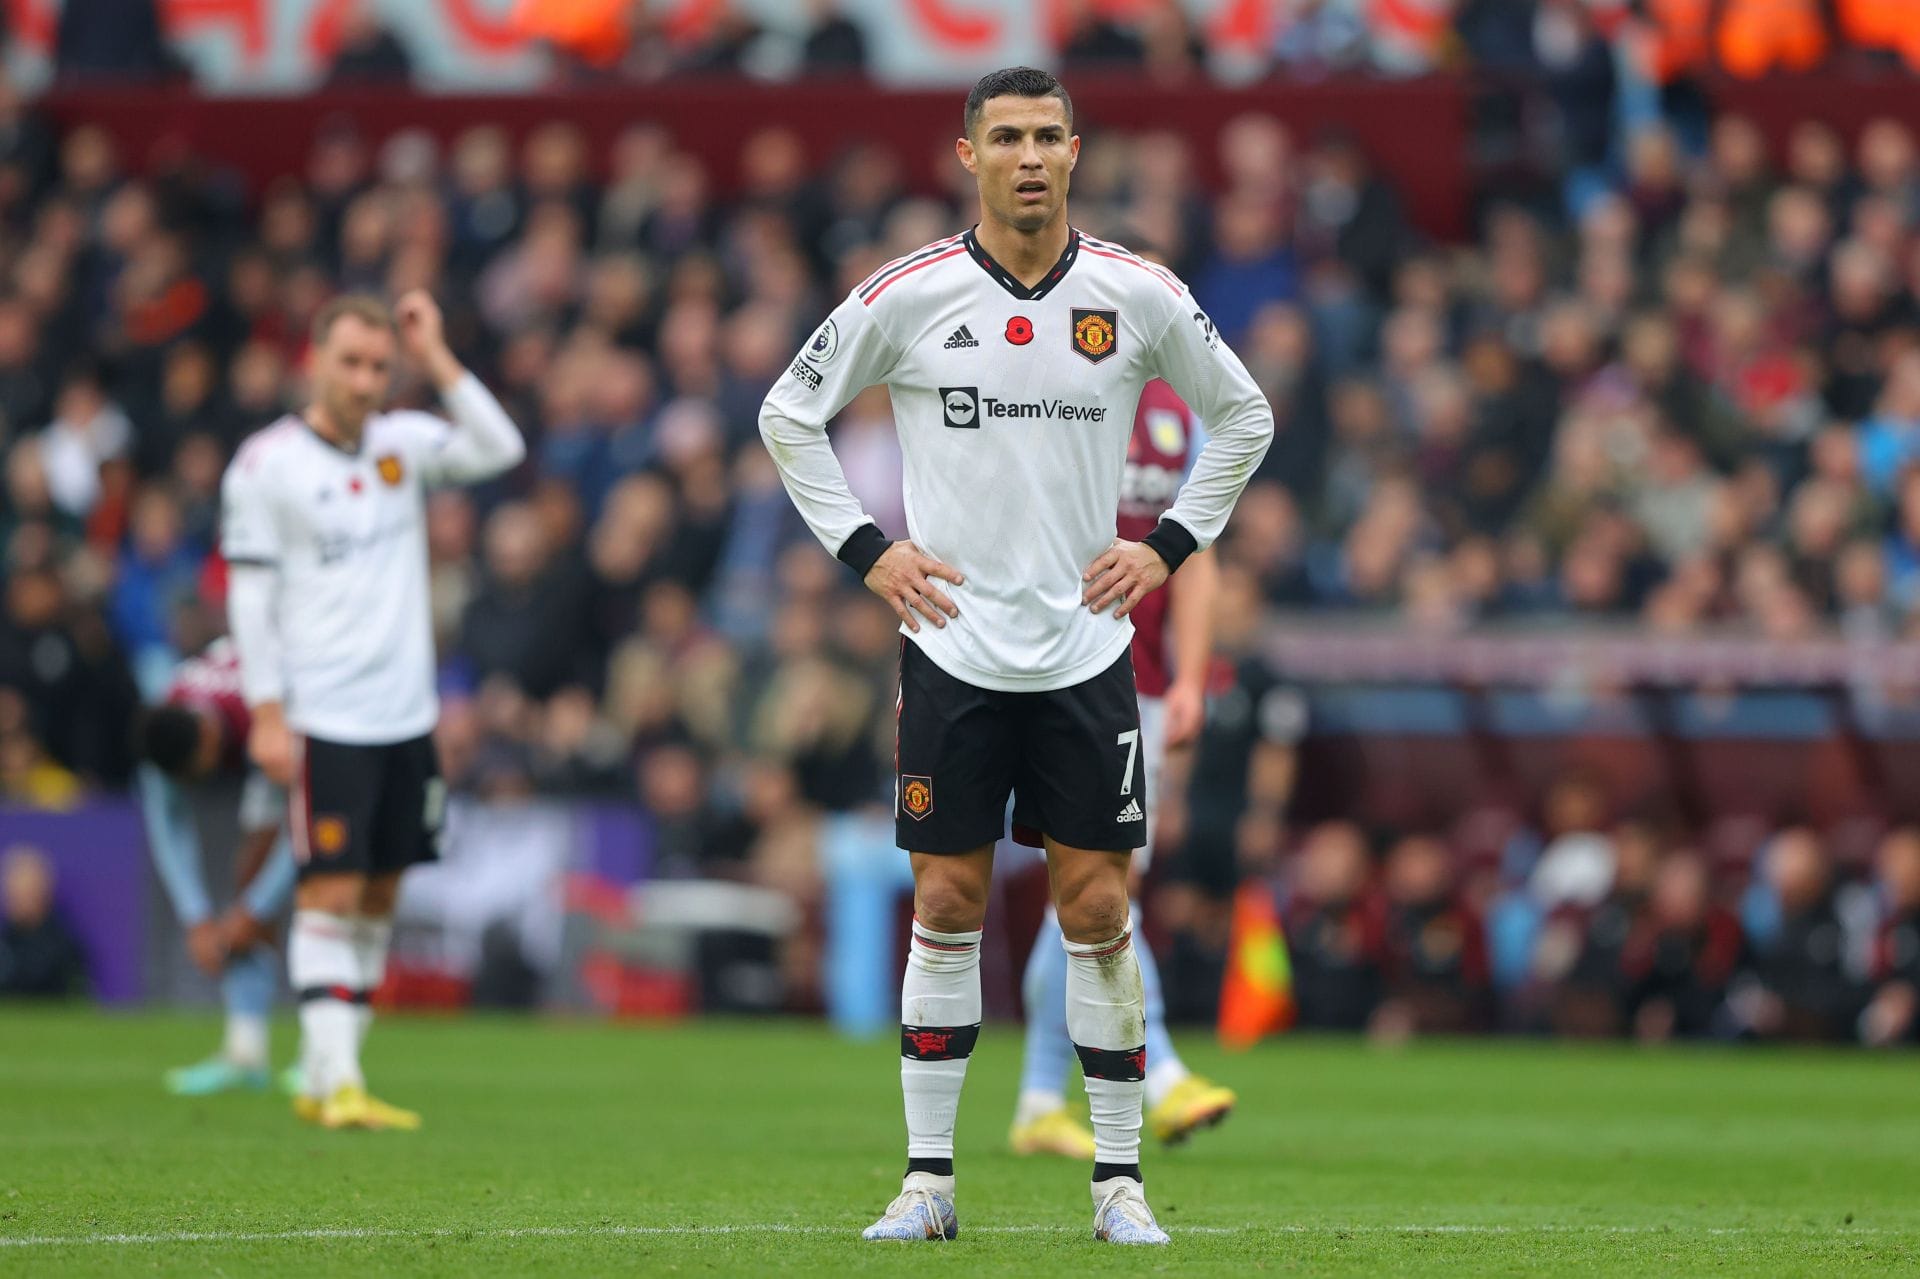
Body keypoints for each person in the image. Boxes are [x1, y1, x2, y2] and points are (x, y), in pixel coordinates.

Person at [759, 66, 1273, 1245]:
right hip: (951, 646)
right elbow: (788, 412)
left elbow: (1245, 415)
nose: (1030, 156)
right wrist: (868, 549)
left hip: (1088, 656)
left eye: (1048, 136)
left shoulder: (1137, 295)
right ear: (968, 154)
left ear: (1077, 151)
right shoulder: (912, 293)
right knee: (945, 900)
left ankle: (1121, 1185)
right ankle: (929, 1182)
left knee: (1098, 909)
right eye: (1008, 138)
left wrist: (1170, 547)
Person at [220, 291, 525, 1130]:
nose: (365, 380)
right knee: (330, 888)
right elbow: (250, 600)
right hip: (326, 715)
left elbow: (502, 447)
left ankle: (326, 1072)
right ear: (313, 360)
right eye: (350, 362)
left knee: (381, 892)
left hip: (406, 716)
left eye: (379, 366)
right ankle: (339, 1075)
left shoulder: (403, 445)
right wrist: (269, 712)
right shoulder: (265, 465)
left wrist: (437, 359)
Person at [1008, 372, 1236, 1160]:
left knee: (1090, 891)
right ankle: (1161, 1069)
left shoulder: (1181, 419)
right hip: (1056, 675)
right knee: (1099, 885)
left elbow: (1198, 553)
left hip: (1137, 686)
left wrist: (1191, 676)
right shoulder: (1055, 392)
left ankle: (1040, 1098)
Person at [133, 637, 297, 1095]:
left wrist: (257, 907)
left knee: (327, 883)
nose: (194, 785)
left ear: (208, 739)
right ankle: (246, 1053)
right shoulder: (165, 721)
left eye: (195, 771)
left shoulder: (262, 711)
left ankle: (325, 1055)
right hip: (264, 747)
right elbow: (168, 823)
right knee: (247, 885)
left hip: (317, 720)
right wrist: (196, 917)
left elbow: (308, 819)